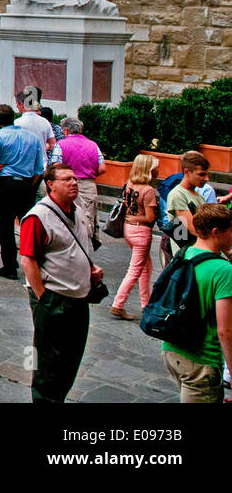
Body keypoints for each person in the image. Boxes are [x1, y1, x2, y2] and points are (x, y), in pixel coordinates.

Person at [20, 163, 102, 403]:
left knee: (71, 358)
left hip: (78, 297)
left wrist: (91, 270)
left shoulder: (78, 210)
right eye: (67, 179)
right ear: (50, 185)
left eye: (75, 178)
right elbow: (28, 261)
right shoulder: (38, 217)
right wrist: (43, 297)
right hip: (53, 297)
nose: (74, 183)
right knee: (48, 360)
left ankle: (58, 399)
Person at [161, 203, 232, 403]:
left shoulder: (186, 253)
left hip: (172, 350)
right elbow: (225, 331)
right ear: (217, 232)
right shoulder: (223, 271)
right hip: (201, 360)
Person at [0, 104, 48, 280]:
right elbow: (39, 168)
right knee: (27, 224)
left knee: (5, 225)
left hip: (5, 183)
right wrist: (31, 184)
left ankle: (9, 266)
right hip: (25, 184)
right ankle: (33, 261)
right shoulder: (32, 138)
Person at [109, 154, 160, 321]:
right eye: (155, 168)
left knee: (145, 268)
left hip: (128, 229)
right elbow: (151, 218)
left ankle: (146, 304)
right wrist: (139, 218)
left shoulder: (129, 184)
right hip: (141, 232)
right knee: (135, 270)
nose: (158, 170)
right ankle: (118, 303)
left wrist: (132, 218)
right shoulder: (148, 190)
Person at [49, 116, 106, 249]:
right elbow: (102, 168)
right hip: (88, 185)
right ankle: (84, 248)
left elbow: (56, 165)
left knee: (65, 216)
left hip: (66, 184)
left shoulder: (61, 144)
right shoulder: (93, 144)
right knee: (87, 218)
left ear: (66, 131)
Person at [14, 86, 56, 152]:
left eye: (17, 103)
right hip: (42, 161)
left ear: (22, 104)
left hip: (24, 161)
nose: (16, 106)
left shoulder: (17, 123)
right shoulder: (45, 122)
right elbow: (53, 145)